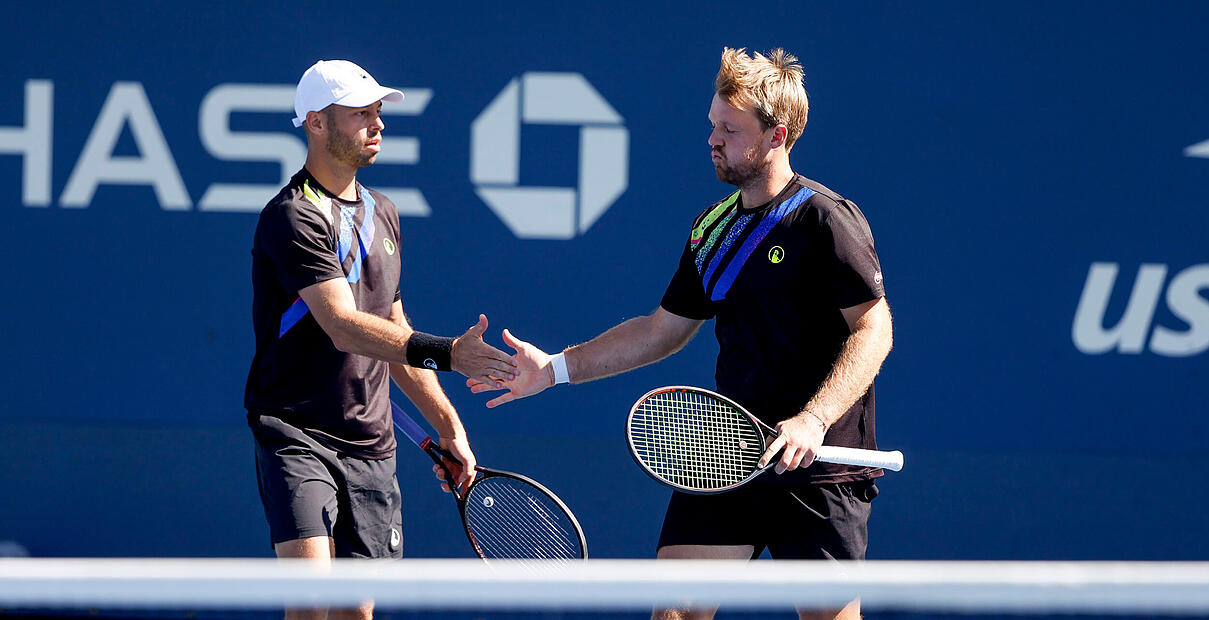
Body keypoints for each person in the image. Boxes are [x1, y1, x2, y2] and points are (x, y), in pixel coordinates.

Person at [470, 48, 892, 620]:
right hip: (730, 458)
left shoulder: (825, 221)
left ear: (777, 136)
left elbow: (874, 328)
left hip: (818, 467)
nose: (713, 139)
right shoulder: (713, 230)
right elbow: (661, 330)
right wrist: (555, 369)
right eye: (713, 124)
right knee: (676, 611)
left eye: (729, 130)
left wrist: (813, 420)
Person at [245, 59, 518, 620]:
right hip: (297, 434)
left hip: (373, 445)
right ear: (316, 123)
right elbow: (342, 324)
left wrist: (449, 427)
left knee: (356, 614)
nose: (378, 124)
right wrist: (449, 353)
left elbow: (395, 334)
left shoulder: (384, 214)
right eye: (360, 114)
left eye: (377, 111)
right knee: (311, 606)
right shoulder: (293, 217)